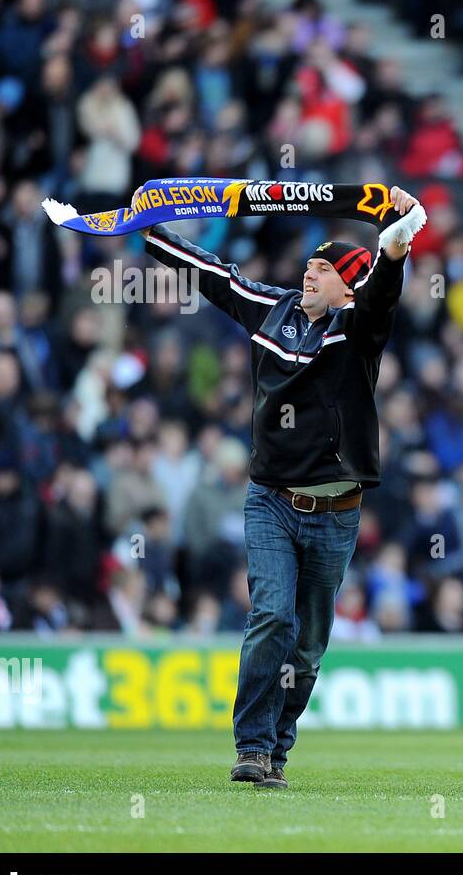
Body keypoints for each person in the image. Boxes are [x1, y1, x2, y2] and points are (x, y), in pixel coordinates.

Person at [140, 187, 421, 789]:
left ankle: (277, 750)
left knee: (309, 648)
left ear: (349, 286)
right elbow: (213, 273)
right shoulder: (270, 308)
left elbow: (386, 283)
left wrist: (397, 235)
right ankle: (252, 747)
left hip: (338, 511)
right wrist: (151, 228)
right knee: (272, 616)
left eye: (323, 269)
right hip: (271, 500)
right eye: (309, 265)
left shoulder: (361, 326)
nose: (308, 273)